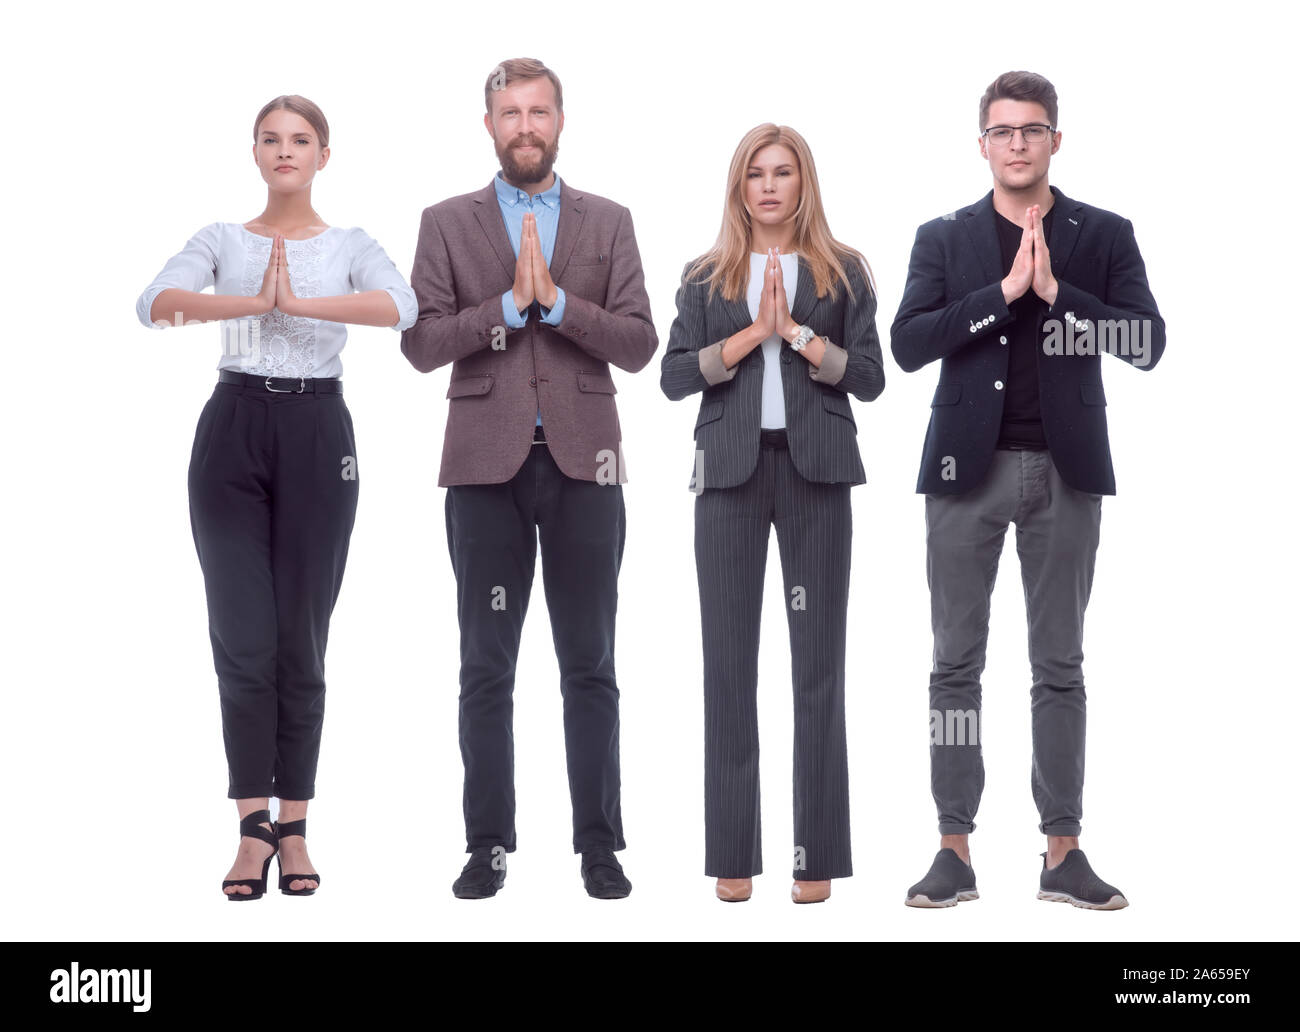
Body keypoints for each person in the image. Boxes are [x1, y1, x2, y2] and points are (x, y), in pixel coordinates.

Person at [891, 71, 1165, 910]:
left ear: (1055, 141)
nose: (1018, 143)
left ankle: (1062, 851)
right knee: (954, 667)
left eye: (1032, 130)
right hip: (961, 477)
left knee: (1060, 667)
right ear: (983, 144)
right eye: (1003, 130)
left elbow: (1147, 343)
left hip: (1067, 473)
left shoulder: (1104, 234)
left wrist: (1056, 294)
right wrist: (1002, 298)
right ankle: (953, 847)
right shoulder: (943, 238)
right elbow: (906, 344)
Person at [135, 95, 417, 900]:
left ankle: (294, 827)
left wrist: (301, 306)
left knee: (302, 639)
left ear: (324, 154)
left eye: (301, 140)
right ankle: (249, 827)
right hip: (232, 428)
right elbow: (156, 305)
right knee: (242, 638)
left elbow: (403, 308)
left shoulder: (352, 243)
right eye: (271, 139)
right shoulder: (221, 239)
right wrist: (254, 302)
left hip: (318, 432)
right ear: (254, 152)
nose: (285, 151)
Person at [400, 58, 657, 900]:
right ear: (489, 127)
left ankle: (599, 844)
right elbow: (421, 343)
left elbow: (639, 343)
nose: (525, 127)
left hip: (589, 464)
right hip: (483, 467)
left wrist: (559, 305)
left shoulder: (608, 220)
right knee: (486, 666)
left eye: (538, 112)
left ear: (560, 121)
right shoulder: (446, 222)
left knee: (591, 662)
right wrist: (509, 309)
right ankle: (488, 844)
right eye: (509, 114)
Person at [661, 124, 885, 903]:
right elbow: (674, 377)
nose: (768, 185)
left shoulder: (844, 270)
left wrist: (792, 332)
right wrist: (752, 332)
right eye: (755, 172)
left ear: (803, 183)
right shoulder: (704, 275)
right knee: (728, 668)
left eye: (783, 172)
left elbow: (868, 377)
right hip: (727, 478)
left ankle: (813, 851)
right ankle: (733, 852)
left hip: (817, 474)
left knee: (818, 669)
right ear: (738, 185)